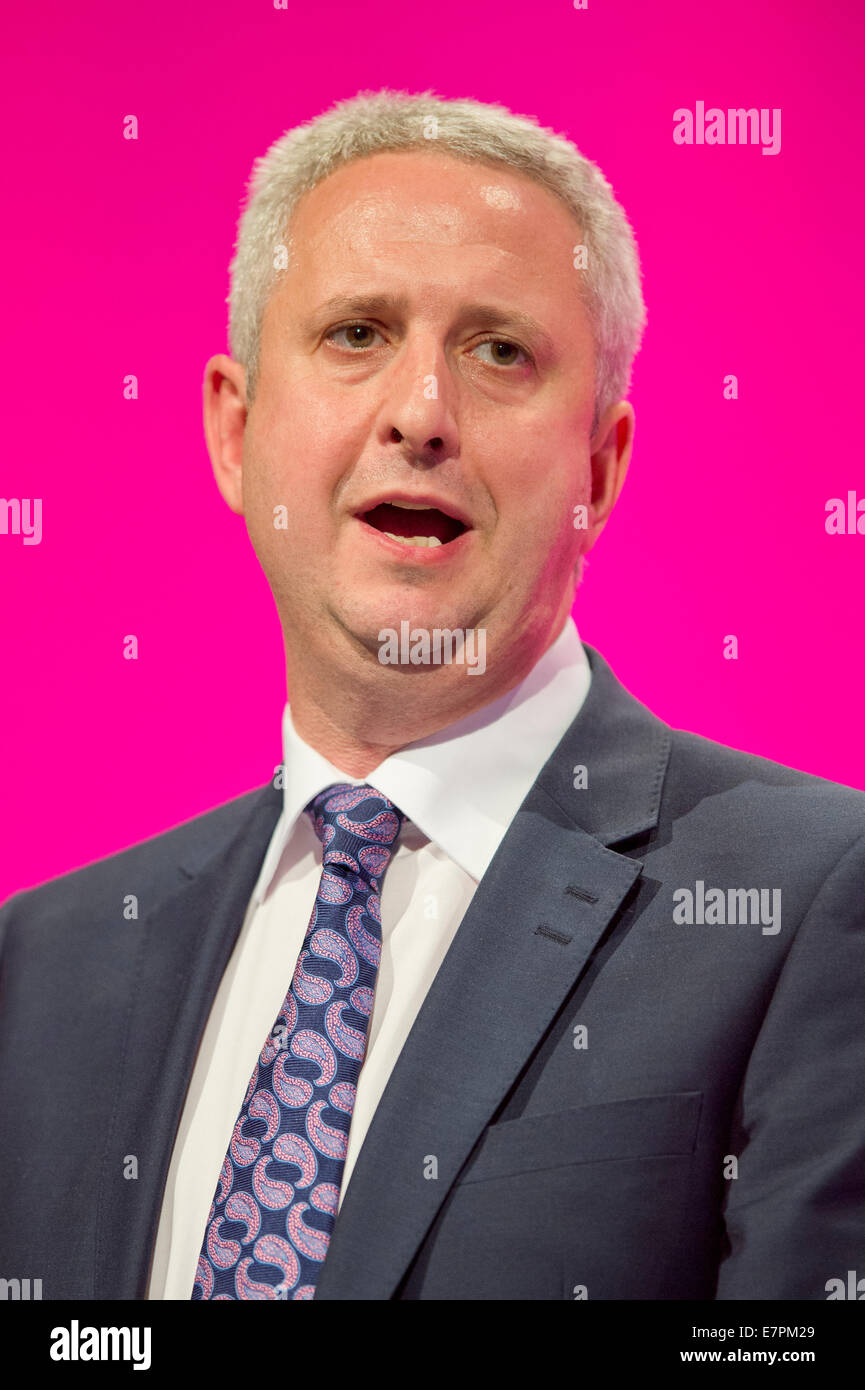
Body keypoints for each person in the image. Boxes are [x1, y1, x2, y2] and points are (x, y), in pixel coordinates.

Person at [2, 89, 864, 1302]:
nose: (421, 414)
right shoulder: (38, 965)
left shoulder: (811, 898)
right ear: (235, 435)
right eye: (356, 332)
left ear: (599, 470)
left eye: (499, 351)